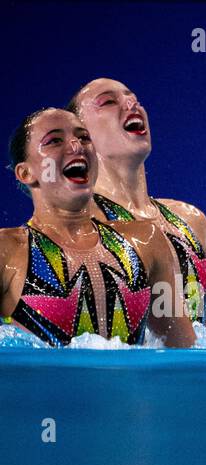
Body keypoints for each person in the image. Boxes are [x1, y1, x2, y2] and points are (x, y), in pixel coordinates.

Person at [0, 108, 192, 347]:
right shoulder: (8, 251)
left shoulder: (145, 241)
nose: (76, 145)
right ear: (26, 173)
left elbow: (184, 351)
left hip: (133, 386)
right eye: (55, 140)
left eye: (84, 137)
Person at [68, 77, 206, 327]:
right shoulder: (80, 224)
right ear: (82, 138)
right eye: (109, 102)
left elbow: (203, 334)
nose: (131, 104)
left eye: (134, 98)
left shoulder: (190, 220)